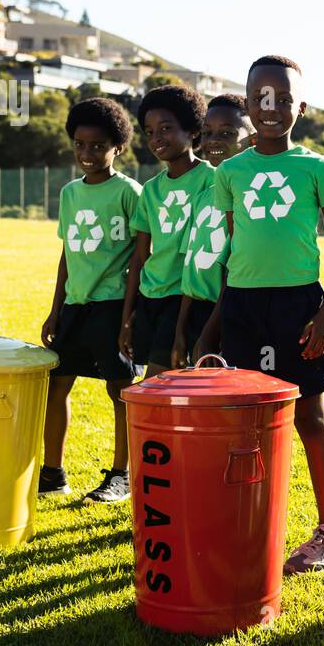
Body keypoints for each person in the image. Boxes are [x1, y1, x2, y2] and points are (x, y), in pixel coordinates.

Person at [199, 55, 324, 574]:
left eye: (283, 99)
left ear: (299, 107)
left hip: (299, 305)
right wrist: (214, 324)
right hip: (244, 306)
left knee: (309, 415)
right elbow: (233, 252)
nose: (271, 107)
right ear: (247, 102)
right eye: (261, 98)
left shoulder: (315, 167)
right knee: (248, 424)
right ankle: (250, 524)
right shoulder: (230, 172)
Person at [39, 98, 143, 504]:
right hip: (74, 308)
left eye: (97, 145)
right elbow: (67, 254)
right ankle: (54, 473)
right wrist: (55, 308)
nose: (87, 153)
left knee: (120, 392)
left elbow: (141, 254)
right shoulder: (69, 194)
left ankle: (121, 475)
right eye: (80, 145)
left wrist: (130, 317)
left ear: (118, 146)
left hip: (113, 305)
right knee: (56, 386)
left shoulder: (130, 193)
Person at [119, 84, 215, 391]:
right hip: (150, 298)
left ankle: (148, 440)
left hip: (184, 298)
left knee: (155, 386)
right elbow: (139, 256)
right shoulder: (150, 189)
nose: (156, 138)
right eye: (149, 131)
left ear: (192, 130)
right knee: (161, 383)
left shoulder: (211, 180)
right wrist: (128, 314)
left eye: (166, 128)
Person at [171, 94, 252, 367]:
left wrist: (209, 333)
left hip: (225, 316)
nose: (213, 140)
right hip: (195, 313)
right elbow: (190, 269)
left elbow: (233, 273)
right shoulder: (204, 195)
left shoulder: (249, 198)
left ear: (252, 139)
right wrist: (180, 330)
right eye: (207, 133)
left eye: (227, 133)